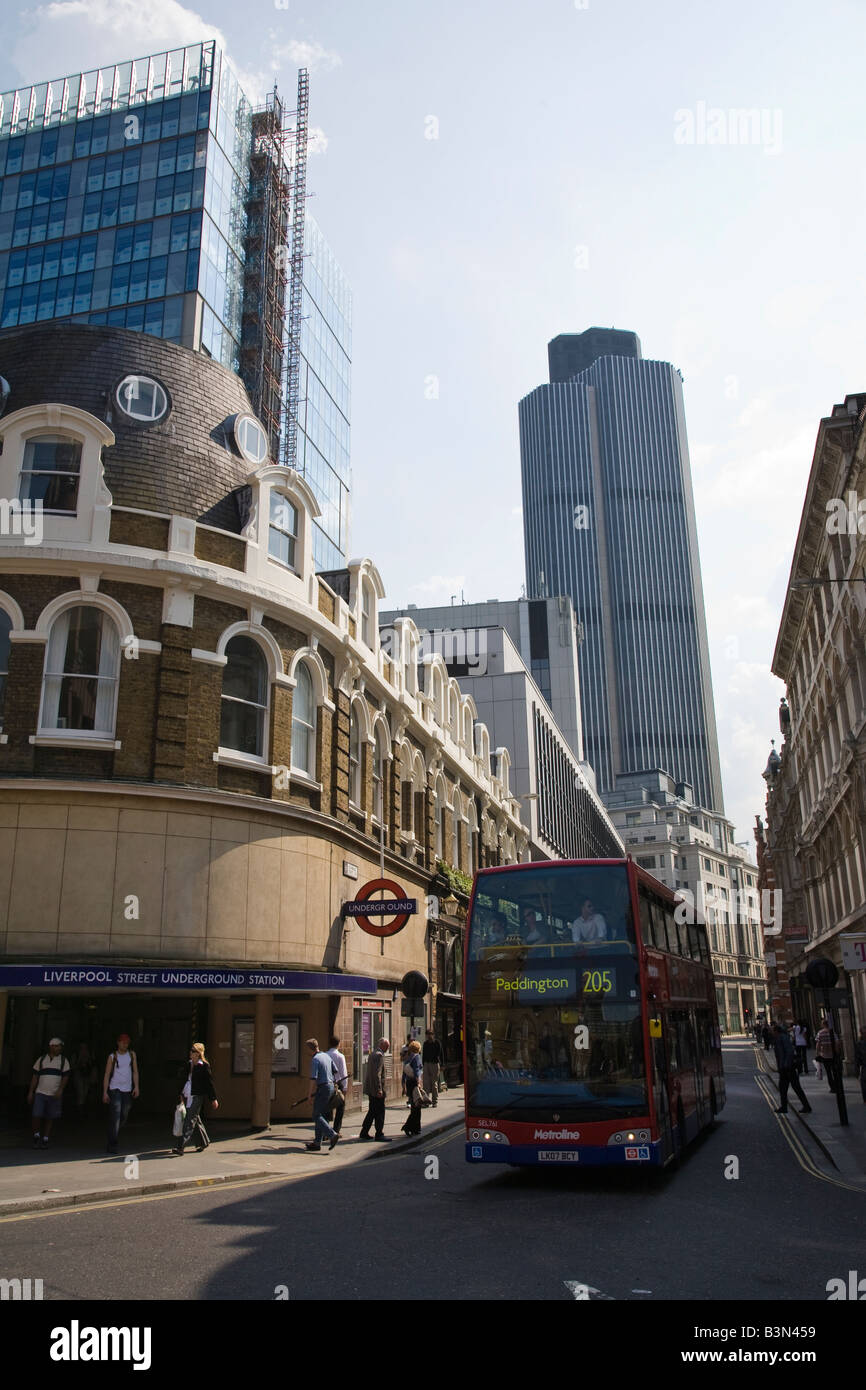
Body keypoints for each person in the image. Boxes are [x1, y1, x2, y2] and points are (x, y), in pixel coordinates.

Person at [172, 1043, 218, 1155]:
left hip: (198, 1095)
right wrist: (180, 1093)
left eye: (193, 1051)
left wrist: (213, 1099)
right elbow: (182, 1079)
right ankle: (203, 1142)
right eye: (191, 1050)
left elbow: (209, 1083)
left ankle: (180, 1146)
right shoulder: (188, 1064)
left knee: (189, 1120)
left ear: (198, 1053)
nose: (190, 1053)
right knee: (195, 1119)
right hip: (188, 1094)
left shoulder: (204, 1066)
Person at [28, 1038, 70, 1150]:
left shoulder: (63, 1061)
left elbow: (65, 1077)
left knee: (50, 1117)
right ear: (51, 1046)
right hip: (40, 1092)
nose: (59, 1048)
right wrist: (31, 1092)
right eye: (57, 1046)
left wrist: (60, 1090)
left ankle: (46, 1138)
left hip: (54, 1093)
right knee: (36, 1114)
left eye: (60, 1046)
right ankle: (36, 1135)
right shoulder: (41, 1060)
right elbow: (35, 1076)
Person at [102, 1033, 139, 1154]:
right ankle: (113, 1144)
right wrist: (105, 1092)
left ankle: (113, 1131)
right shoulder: (112, 1057)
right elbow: (107, 1074)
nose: (125, 1044)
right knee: (116, 1115)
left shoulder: (132, 1055)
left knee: (124, 1114)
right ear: (118, 1043)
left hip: (127, 1089)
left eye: (127, 1042)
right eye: (123, 1042)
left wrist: (136, 1086)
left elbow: (135, 1071)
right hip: (115, 1088)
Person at [304, 1037, 340, 1152]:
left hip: (323, 1087)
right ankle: (317, 1143)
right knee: (321, 1115)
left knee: (316, 1115)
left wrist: (309, 1095)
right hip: (330, 1087)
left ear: (310, 1049)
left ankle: (332, 1134)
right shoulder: (326, 1056)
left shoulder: (315, 1060)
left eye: (307, 1050)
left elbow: (313, 1079)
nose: (307, 1053)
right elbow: (335, 1070)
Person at [772, 1023, 812, 1115]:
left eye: (773, 1030)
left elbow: (789, 1051)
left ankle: (806, 1106)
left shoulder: (783, 1038)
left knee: (795, 1087)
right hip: (784, 1068)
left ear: (777, 1031)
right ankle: (784, 1107)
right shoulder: (779, 1038)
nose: (772, 1032)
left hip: (788, 1068)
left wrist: (785, 1065)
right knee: (783, 1088)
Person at [359, 1036, 390, 1141]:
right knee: (380, 1112)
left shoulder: (373, 1053)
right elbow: (377, 1074)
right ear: (382, 1045)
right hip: (376, 1090)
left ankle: (364, 1132)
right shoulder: (379, 1055)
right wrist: (379, 1089)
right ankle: (379, 1133)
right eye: (386, 1046)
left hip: (371, 1088)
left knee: (372, 1111)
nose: (387, 1048)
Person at [326, 1034, 348, 1136]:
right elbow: (343, 1073)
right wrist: (345, 1087)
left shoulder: (325, 1055)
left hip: (327, 1083)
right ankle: (336, 1130)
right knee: (340, 1107)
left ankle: (325, 1131)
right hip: (338, 1084)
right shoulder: (340, 1056)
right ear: (339, 1044)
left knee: (326, 1108)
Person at [401, 1039, 424, 1136]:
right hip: (414, 1083)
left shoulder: (408, 1057)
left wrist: (403, 1086)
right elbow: (417, 1070)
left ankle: (414, 1128)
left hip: (409, 1084)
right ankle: (409, 1126)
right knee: (417, 1107)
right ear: (418, 1049)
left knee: (414, 1106)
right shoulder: (417, 1057)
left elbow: (404, 1073)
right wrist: (418, 1083)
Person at [814, 1017, 842, 1094]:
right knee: (834, 1071)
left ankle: (832, 1088)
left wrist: (817, 1053)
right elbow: (837, 1042)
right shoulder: (832, 1032)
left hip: (825, 1055)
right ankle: (837, 1086)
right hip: (832, 1055)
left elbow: (818, 1044)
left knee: (828, 1072)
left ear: (823, 1025)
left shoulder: (820, 1033)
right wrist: (837, 1052)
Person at [71, 1042, 97, 1114]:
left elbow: (93, 1065)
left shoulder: (90, 1054)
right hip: (78, 1075)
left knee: (85, 1093)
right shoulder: (76, 1055)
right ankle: (80, 1111)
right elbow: (72, 1067)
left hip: (87, 1076)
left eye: (85, 1047)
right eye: (82, 1048)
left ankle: (82, 1109)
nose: (83, 1049)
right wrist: (80, 1061)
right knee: (80, 1093)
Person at [422, 1029, 444, 1107]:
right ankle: (426, 1101)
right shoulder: (425, 1044)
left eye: (430, 1034)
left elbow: (441, 1054)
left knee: (434, 1083)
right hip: (426, 1064)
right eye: (427, 1034)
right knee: (426, 1084)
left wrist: (442, 1065)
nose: (428, 1036)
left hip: (435, 1064)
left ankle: (435, 1101)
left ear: (433, 1034)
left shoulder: (437, 1043)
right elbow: (424, 1055)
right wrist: (423, 1064)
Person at [854, 1026, 866, 1104]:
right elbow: (857, 1059)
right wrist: (857, 1071)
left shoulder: (859, 1044)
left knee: (864, 1082)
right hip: (865, 1067)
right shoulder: (859, 1044)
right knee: (864, 1082)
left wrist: (857, 1072)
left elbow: (857, 1059)